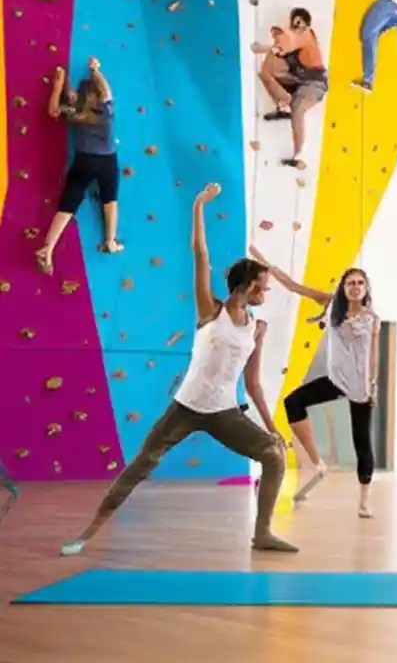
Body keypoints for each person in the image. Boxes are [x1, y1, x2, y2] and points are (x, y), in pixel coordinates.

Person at [60, 183, 297, 556]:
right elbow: (200, 254)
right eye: (264, 288)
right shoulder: (211, 311)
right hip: (185, 408)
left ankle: (262, 532)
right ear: (250, 285)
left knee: (273, 454)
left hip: (225, 413)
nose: (266, 294)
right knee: (142, 463)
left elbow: (253, 385)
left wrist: (271, 428)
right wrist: (199, 204)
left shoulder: (257, 328)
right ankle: (88, 531)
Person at [252, 249, 380, 518]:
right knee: (293, 402)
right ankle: (317, 461)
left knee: (362, 441)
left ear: (366, 288)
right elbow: (293, 286)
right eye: (350, 282)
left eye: (360, 283)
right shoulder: (332, 305)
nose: (355, 287)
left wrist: (373, 384)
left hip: (359, 385)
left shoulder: (372, 319)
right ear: (343, 287)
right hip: (335, 379)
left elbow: (373, 353)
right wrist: (265, 262)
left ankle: (365, 499)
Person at [36, 58, 122, 275]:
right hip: (106, 160)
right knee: (109, 200)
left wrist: (58, 86)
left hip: (83, 161)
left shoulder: (76, 112)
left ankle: (48, 247)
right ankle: (110, 241)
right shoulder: (105, 109)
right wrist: (95, 70)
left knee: (68, 203)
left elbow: (53, 110)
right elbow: (106, 90)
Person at [251, 8, 328, 169]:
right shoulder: (291, 41)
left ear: (306, 24)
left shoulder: (306, 35)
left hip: (315, 83)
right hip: (298, 80)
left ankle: (298, 154)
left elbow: (284, 46)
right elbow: (279, 49)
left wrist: (263, 48)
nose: (296, 25)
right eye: (294, 22)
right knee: (267, 69)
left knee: (298, 109)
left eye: (299, 22)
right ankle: (283, 104)